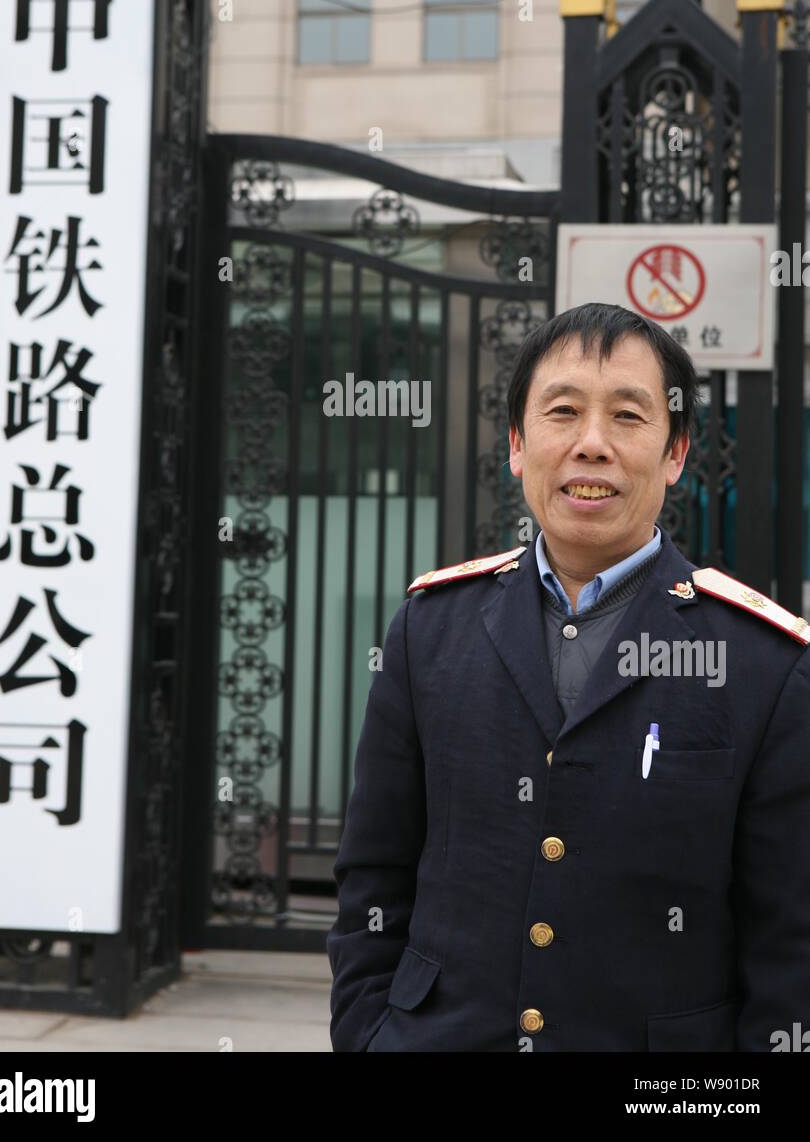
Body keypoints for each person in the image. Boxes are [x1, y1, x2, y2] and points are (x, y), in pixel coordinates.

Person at [326, 302, 810, 1052]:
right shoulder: (431, 629)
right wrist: (365, 1035)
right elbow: (373, 873)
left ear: (676, 451)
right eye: (562, 413)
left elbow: (791, 941)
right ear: (519, 445)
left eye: (627, 416)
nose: (592, 445)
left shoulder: (765, 662)